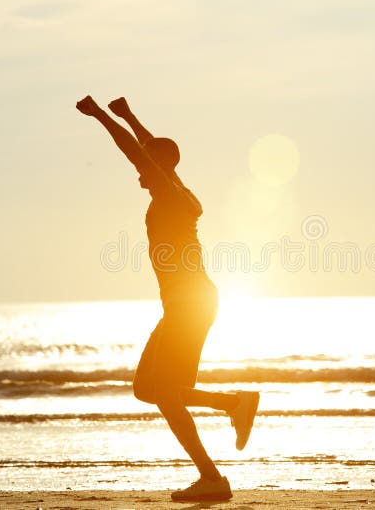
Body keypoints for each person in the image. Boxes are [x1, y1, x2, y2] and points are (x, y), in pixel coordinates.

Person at [76, 95, 259, 501]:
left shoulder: (169, 194)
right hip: (184, 306)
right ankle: (233, 404)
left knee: (166, 396)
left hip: (189, 306)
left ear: (155, 166)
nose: (139, 172)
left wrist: (103, 117)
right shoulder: (176, 186)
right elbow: (154, 151)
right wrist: (131, 115)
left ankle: (212, 479)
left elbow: (137, 152)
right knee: (147, 388)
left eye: (146, 164)